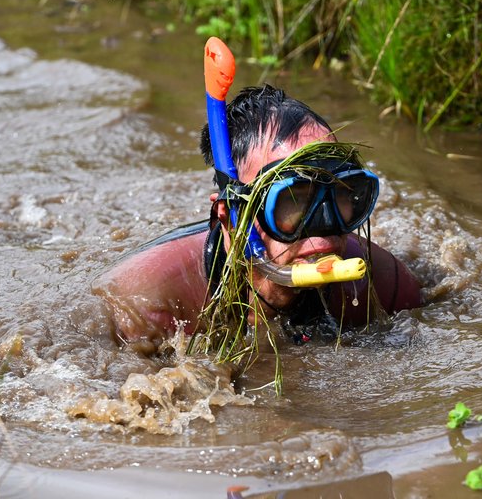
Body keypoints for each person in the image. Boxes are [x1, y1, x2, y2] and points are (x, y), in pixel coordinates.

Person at [92, 84, 423, 348]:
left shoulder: (382, 286)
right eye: (292, 203)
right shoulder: (148, 307)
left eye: (339, 198)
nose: (324, 239)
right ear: (229, 218)